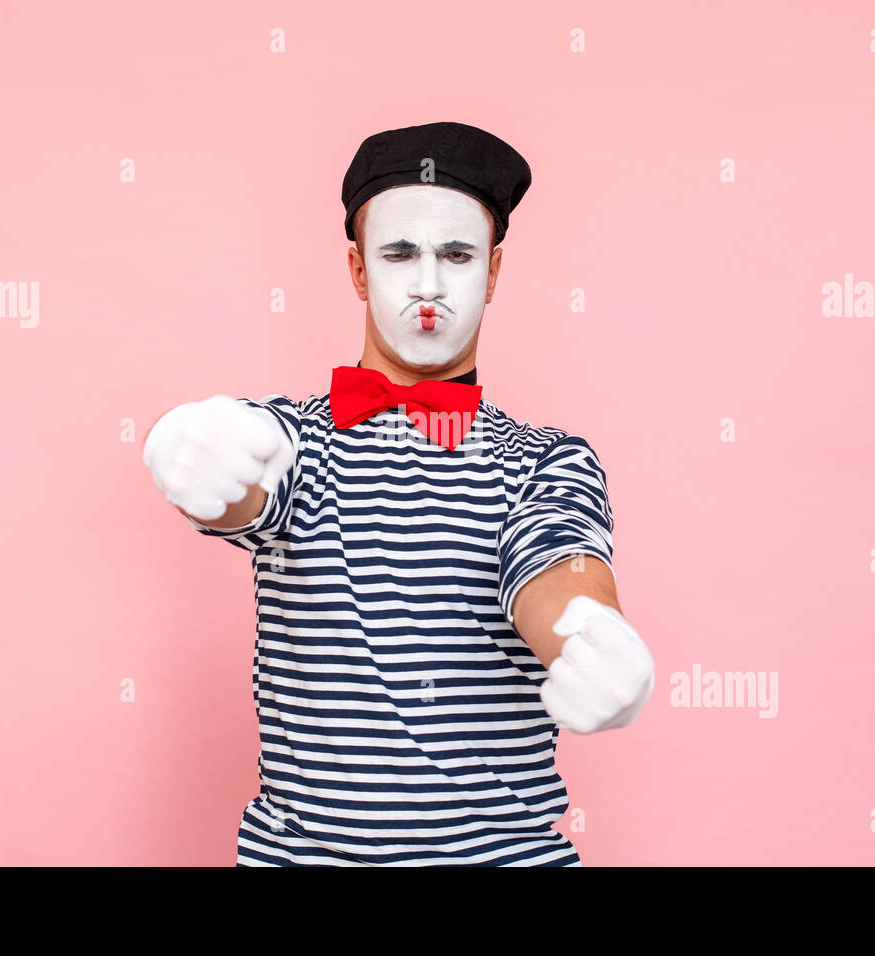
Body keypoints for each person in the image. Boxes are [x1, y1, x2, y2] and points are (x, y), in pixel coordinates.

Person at [143, 121, 655, 866]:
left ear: (494, 271)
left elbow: (557, 560)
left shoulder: (546, 460)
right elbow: (243, 483)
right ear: (357, 271)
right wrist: (187, 444)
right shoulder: (292, 441)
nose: (427, 284)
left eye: (456, 254)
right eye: (399, 253)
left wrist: (590, 634)